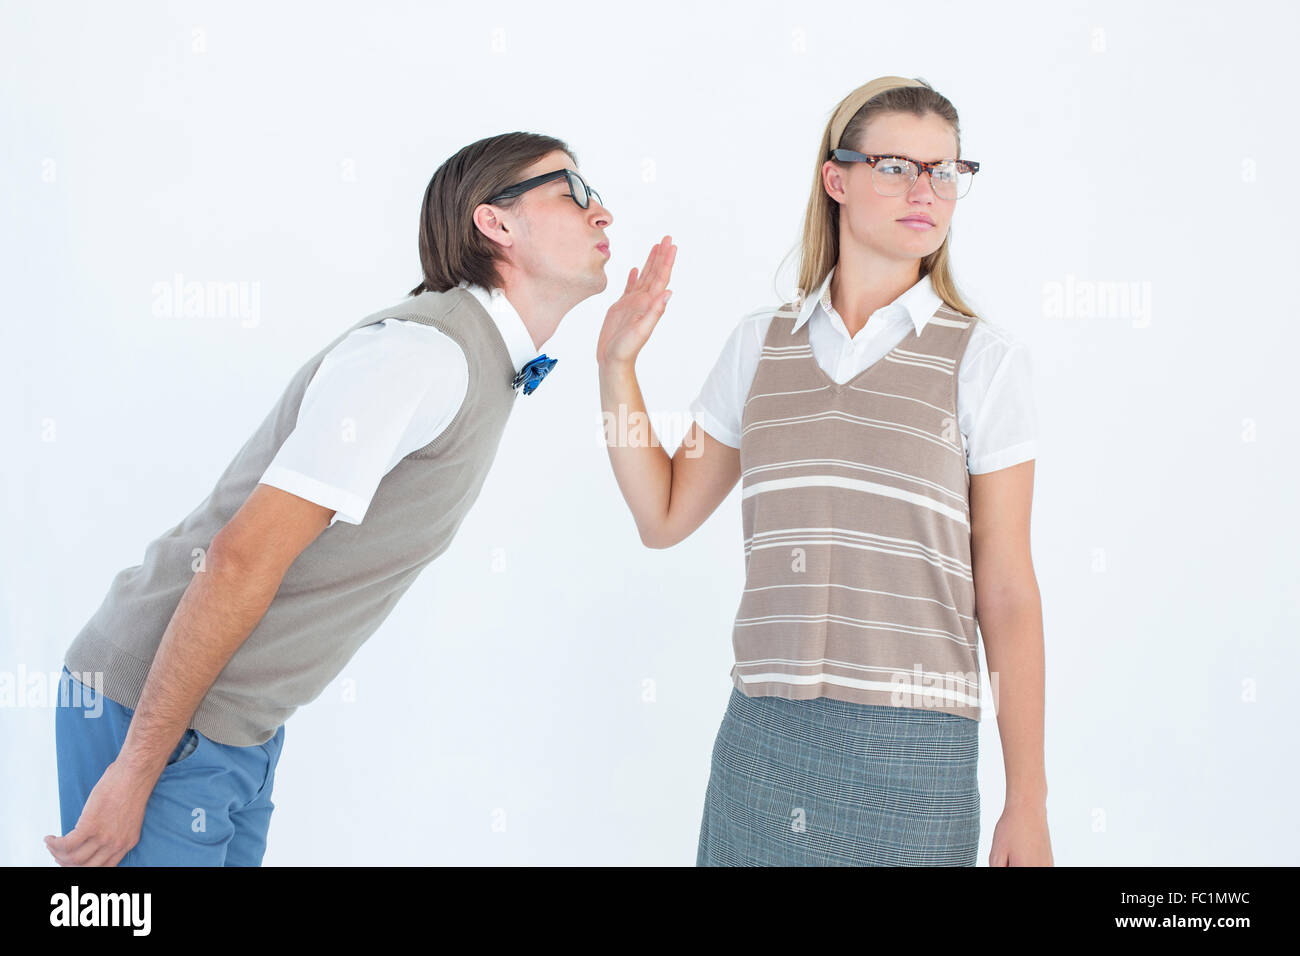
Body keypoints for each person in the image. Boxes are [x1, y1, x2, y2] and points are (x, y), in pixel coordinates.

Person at [47, 131, 620, 866]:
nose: (602, 211)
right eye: (573, 190)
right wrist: (133, 769)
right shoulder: (422, 356)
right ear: (495, 222)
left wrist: (619, 359)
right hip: (152, 713)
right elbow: (238, 558)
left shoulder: (484, 360)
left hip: (236, 729)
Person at [596, 77, 1053, 866]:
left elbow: (1007, 592)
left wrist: (1029, 802)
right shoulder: (758, 345)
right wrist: (615, 368)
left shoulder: (984, 360)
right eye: (898, 167)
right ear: (835, 178)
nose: (927, 191)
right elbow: (663, 516)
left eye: (946, 171)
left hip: (915, 750)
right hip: (761, 740)